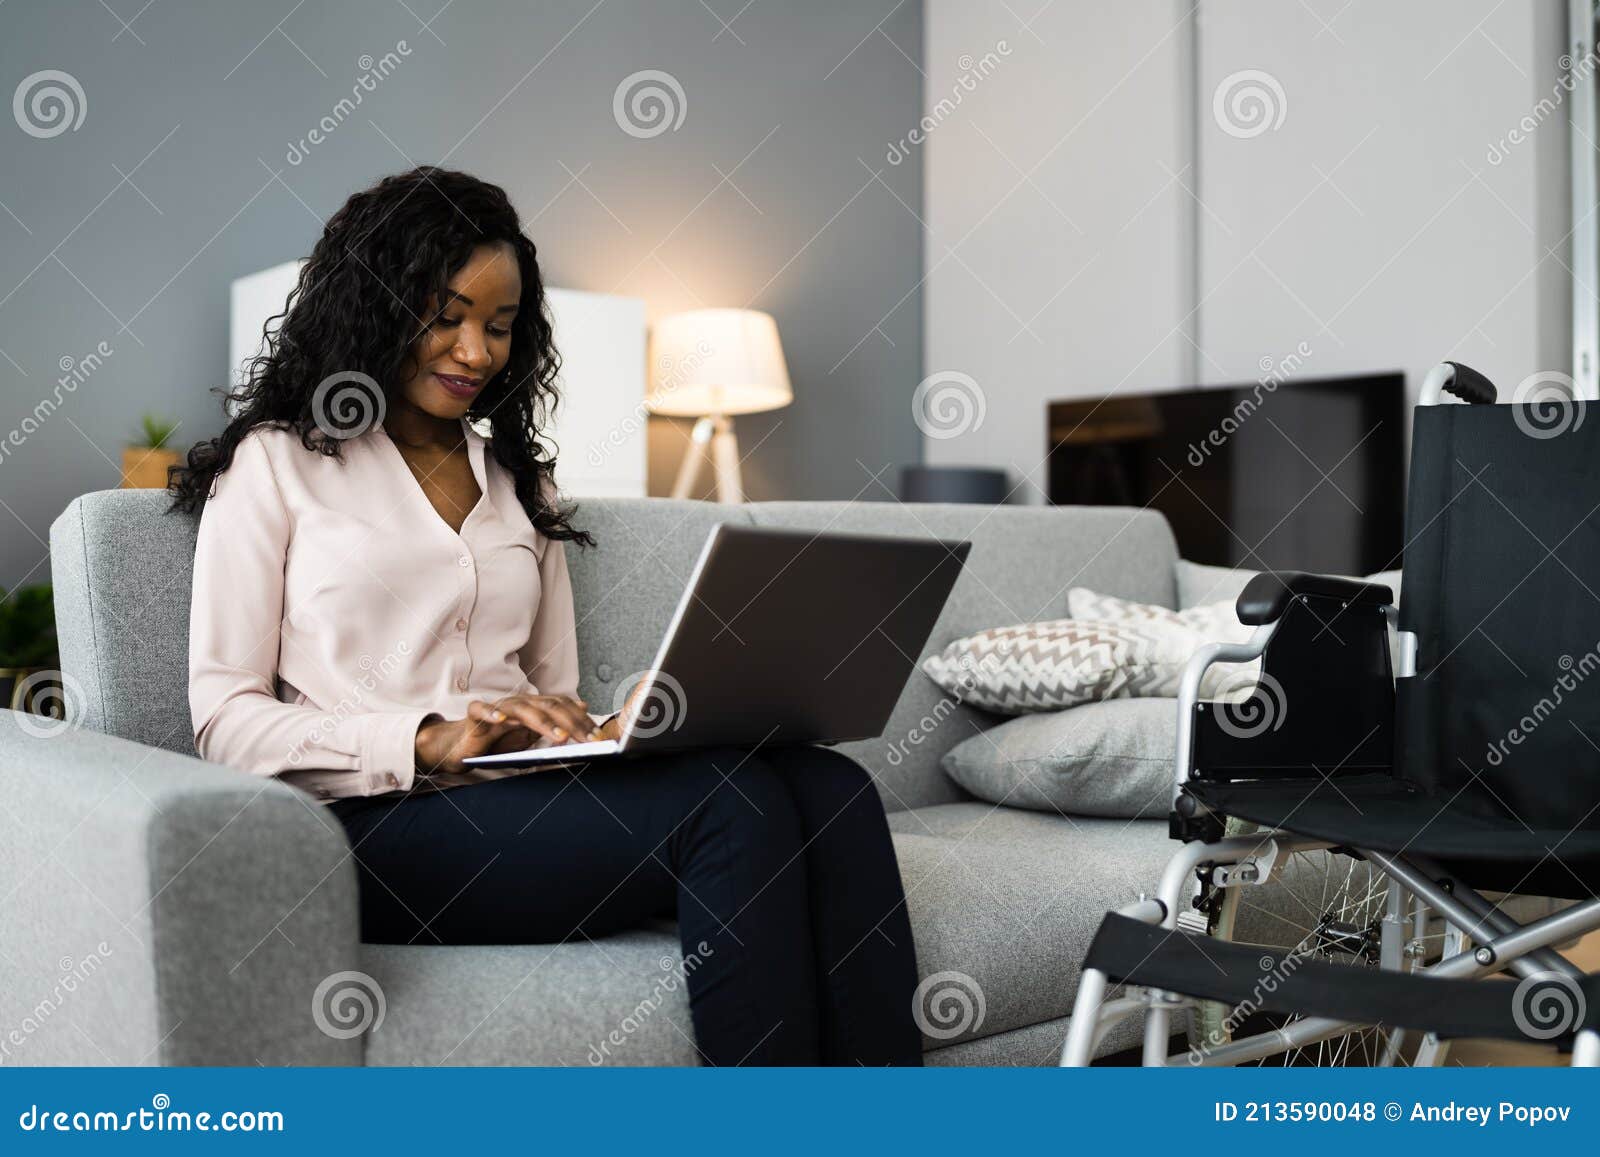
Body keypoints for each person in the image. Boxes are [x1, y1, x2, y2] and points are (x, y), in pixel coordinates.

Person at [171, 166, 922, 1066]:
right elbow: (223, 720)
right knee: (731, 808)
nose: (476, 351)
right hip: (367, 828)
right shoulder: (278, 464)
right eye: (445, 317)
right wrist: (423, 736)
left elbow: (550, 697)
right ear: (373, 307)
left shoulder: (521, 485)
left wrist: (638, 718)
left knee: (830, 789)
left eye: (498, 324)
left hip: (524, 802)